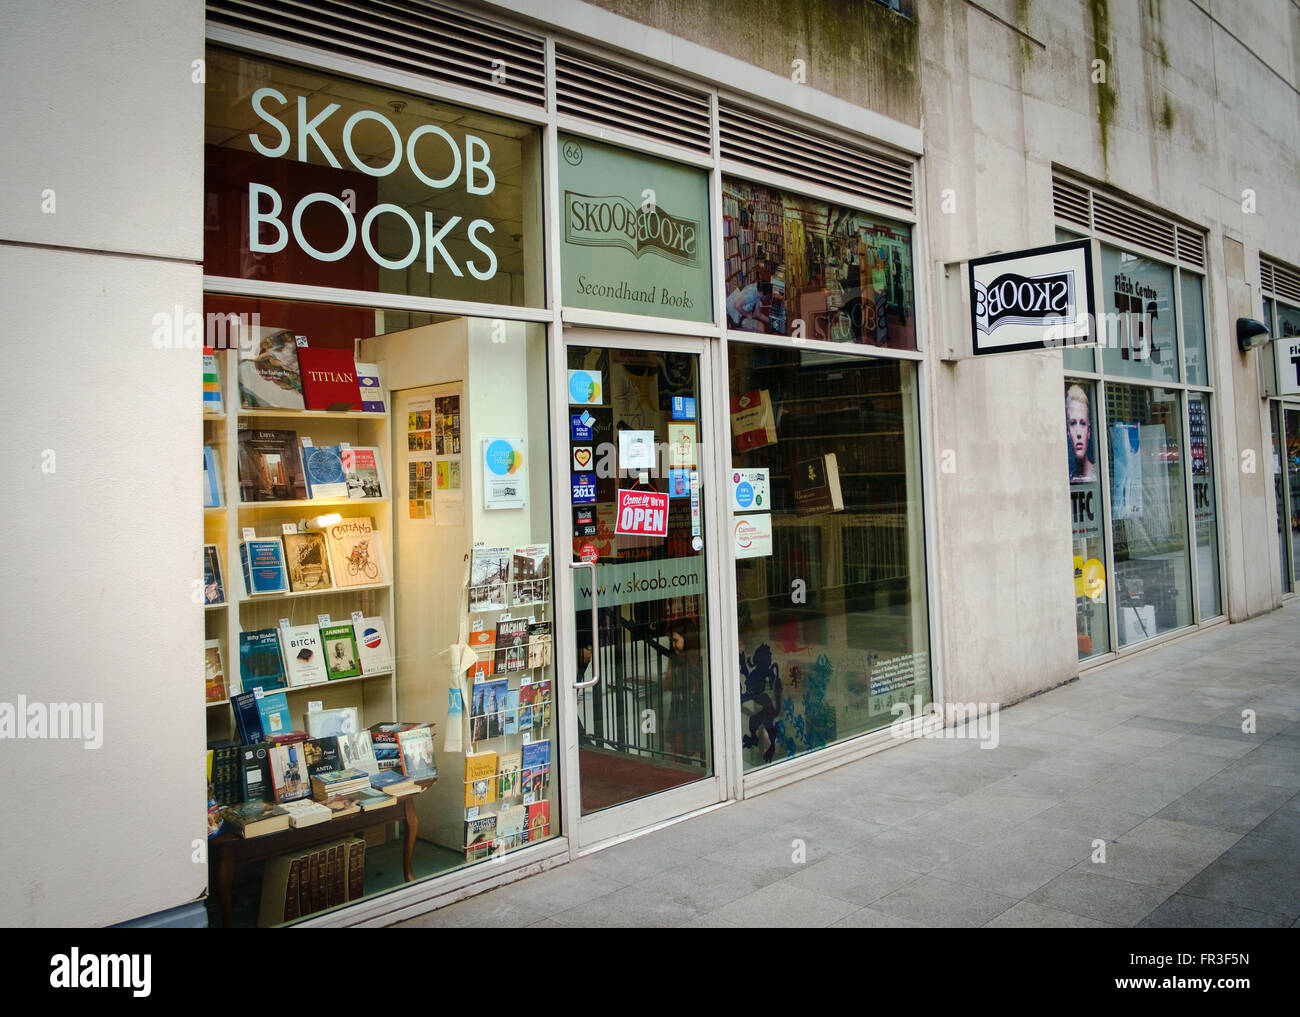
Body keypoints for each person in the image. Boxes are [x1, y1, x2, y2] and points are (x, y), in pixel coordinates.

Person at [663, 617, 704, 763]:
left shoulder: (697, 661)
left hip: (692, 717)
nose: (673, 645)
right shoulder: (677, 659)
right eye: (672, 641)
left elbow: (670, 684)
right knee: (679, 756)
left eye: (676, 640)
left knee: (689, 755)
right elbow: (668, 684)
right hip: (679, 715)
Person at [1067, 384, 1097, 483]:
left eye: (1083, 424)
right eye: (1073, 423)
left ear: (1089, 432)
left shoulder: (1099, 475)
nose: (1078, 433)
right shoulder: (1070, 479)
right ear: (1068, 432)